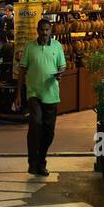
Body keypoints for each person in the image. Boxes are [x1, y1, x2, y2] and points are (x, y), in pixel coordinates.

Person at [14, 16, 66, 176]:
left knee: (48, 132)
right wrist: (18, 94)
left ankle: (41, 161)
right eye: (42, 30)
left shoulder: (57, 46)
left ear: (51, 31)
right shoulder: (30, 47)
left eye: (47, 30)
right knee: (35, 124)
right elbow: (22, 70)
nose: (44, 33)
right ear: (37, 31)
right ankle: (32, 162)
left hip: (51, 94)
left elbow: (61, 67)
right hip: (33, 93)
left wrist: (59, 75)